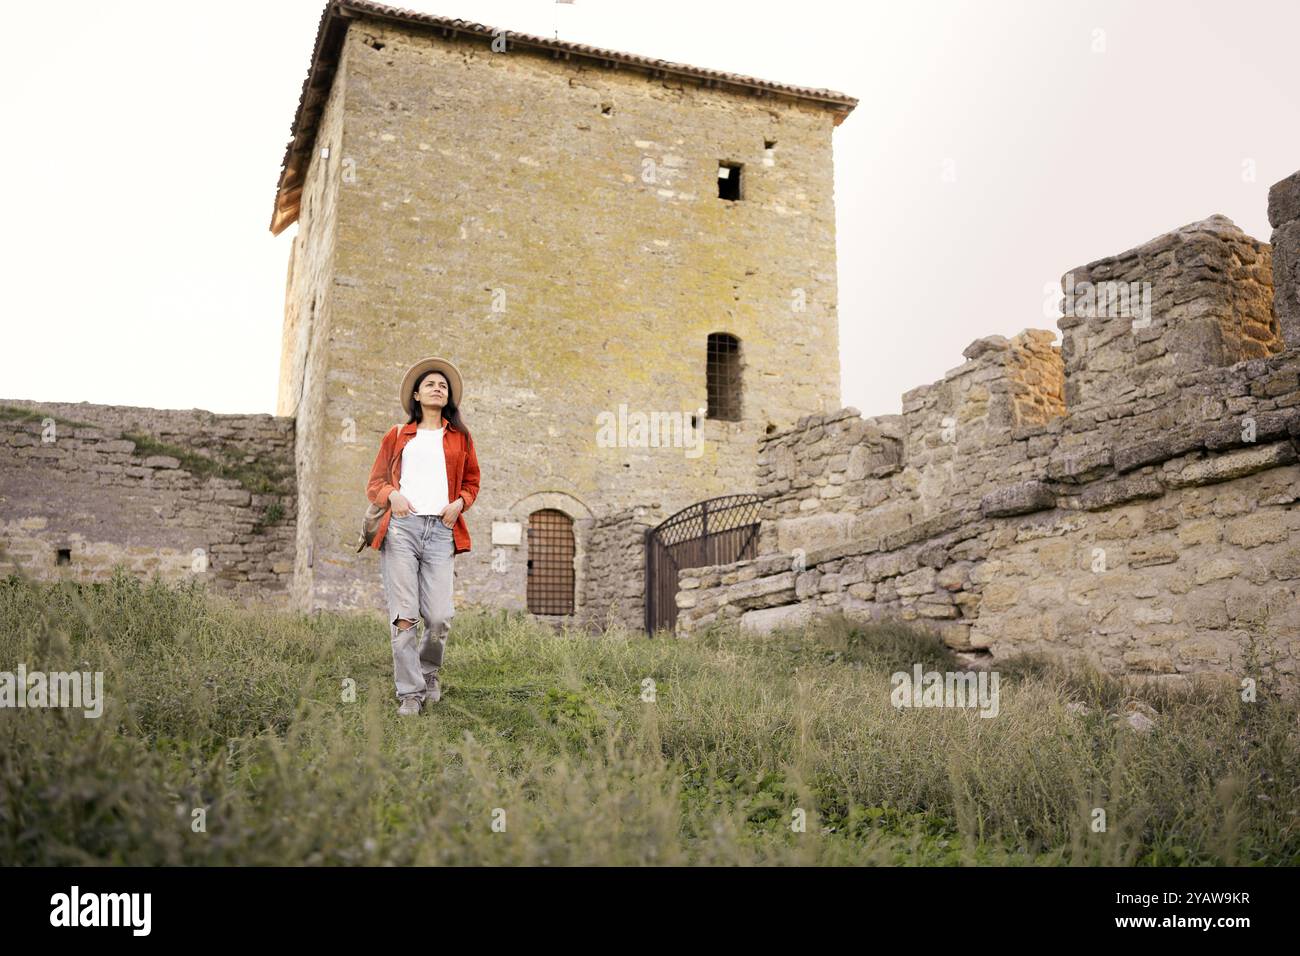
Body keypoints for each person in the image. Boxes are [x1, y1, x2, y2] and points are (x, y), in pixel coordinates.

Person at [365, 357, 480, 716]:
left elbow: (472, 483)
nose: (437, 388)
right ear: (417, 394)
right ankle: (410, 693)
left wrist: (459, 504)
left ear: (448, 398)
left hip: (441, 531)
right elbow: (375, 484)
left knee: (440, 616)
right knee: (404, 616)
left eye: (443, 385)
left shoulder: (460, 438)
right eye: (430, 384)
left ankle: (429, 672)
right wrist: (392, 496)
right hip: (402, 529)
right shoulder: (398, 434)